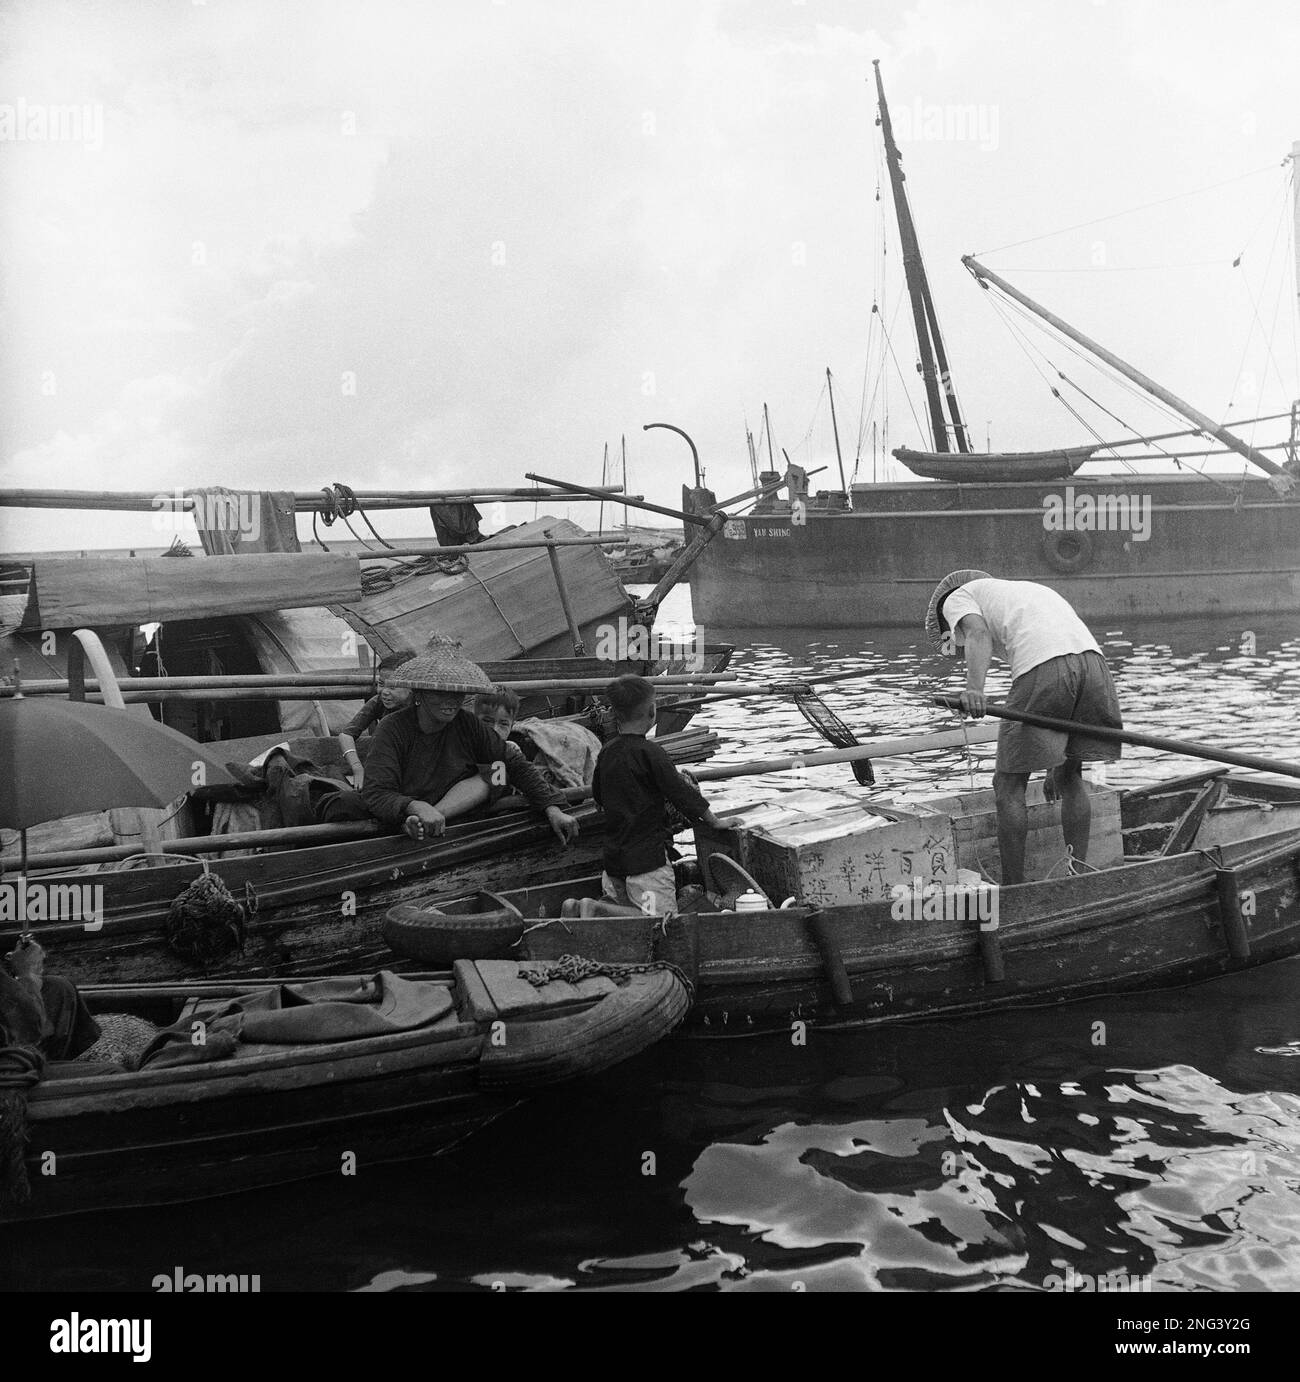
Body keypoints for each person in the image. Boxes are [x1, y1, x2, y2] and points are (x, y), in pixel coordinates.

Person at [925, 570, 1123, 885]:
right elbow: (1063, 665)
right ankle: (1078, 878)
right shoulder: (1021, 593)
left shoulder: (957, 597)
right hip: (1095, 668)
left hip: (1046, 666)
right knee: (1069, 776)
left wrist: (974, 689)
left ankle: (1014, 889)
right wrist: (1052, 765)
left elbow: (978, 633)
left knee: (1008, 786)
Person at [360, 639, 580, 844]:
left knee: (498, 771)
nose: (450, 701)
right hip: (405, 807)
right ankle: (419, 819)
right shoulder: (392, 728)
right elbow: (377, 792)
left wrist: (551, 808)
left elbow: (512, 762)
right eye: (440, 693)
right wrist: (414, 806)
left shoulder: (466, 723)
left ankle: (435, 817)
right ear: (420, 693)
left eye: (457, 693)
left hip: (448, 806)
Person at [590, 674, 722, 916]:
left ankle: (594, 909)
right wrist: (715, 822)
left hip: (613, 863)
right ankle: (595, 908)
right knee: (662, 922)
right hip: (647, 865)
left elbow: (598, 797)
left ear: (615, 714)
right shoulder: (651, 752)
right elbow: (681, 793)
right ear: (652, 711)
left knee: (621, 923)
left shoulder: (607, 751)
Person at [337, 652, 415, 789]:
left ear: (412, 687)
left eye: (392, 687)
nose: (384, 691)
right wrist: (357, 768)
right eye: (381, 684)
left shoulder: (421, 709)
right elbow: (346, 735)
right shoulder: (379, 702)